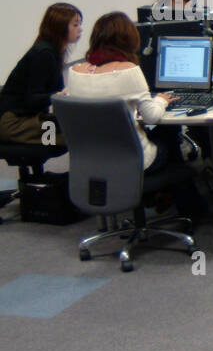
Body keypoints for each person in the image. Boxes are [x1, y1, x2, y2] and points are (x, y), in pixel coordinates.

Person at [62, 12, 203, 216]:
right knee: (169, 134)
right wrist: (161, 100)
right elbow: (152, 117)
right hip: (134, 160)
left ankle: (158, 199)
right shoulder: (128, 70)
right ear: (129, 40)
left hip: (93, 160)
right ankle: (190, 208)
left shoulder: (75, 72)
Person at [0, 3, 83, 145]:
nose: (80, 29)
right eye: (75, 25)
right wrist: (59, 96)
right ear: (59, 27)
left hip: (25, 119)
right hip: (13, 123)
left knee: (77, 129)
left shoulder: (52, 51)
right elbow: (32, 99)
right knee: (76, 134)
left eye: (80, 24)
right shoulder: (44, 54)